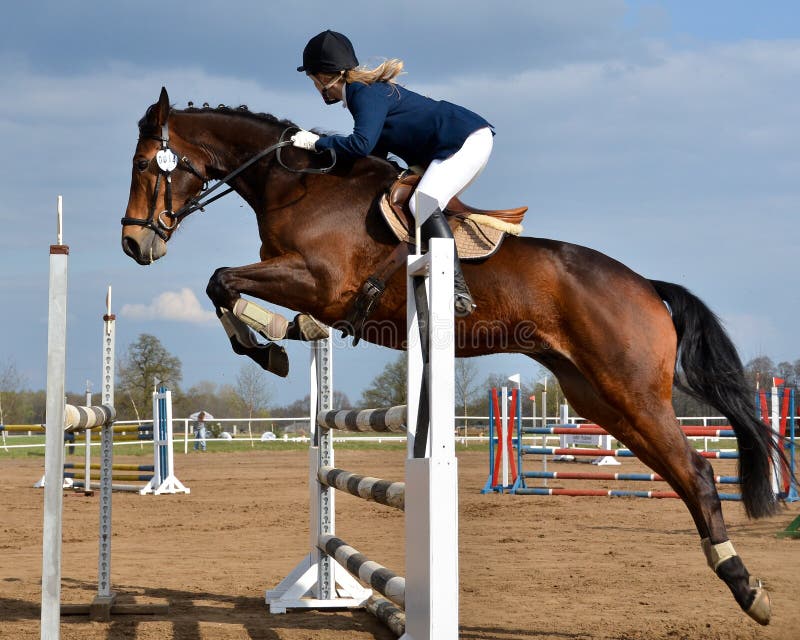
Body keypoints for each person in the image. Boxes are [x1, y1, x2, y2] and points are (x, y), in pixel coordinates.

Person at [292, 30, 494, 317]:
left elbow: (361, 144)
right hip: (453, 143)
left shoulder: (365, 93)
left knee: (422, 201)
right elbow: (375, 156)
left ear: (324, 77)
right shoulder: (362, 95)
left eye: (313, 80)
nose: (315, 87)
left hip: (464, 140)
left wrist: (318, 142)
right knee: (414, 199)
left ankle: (457, 289)